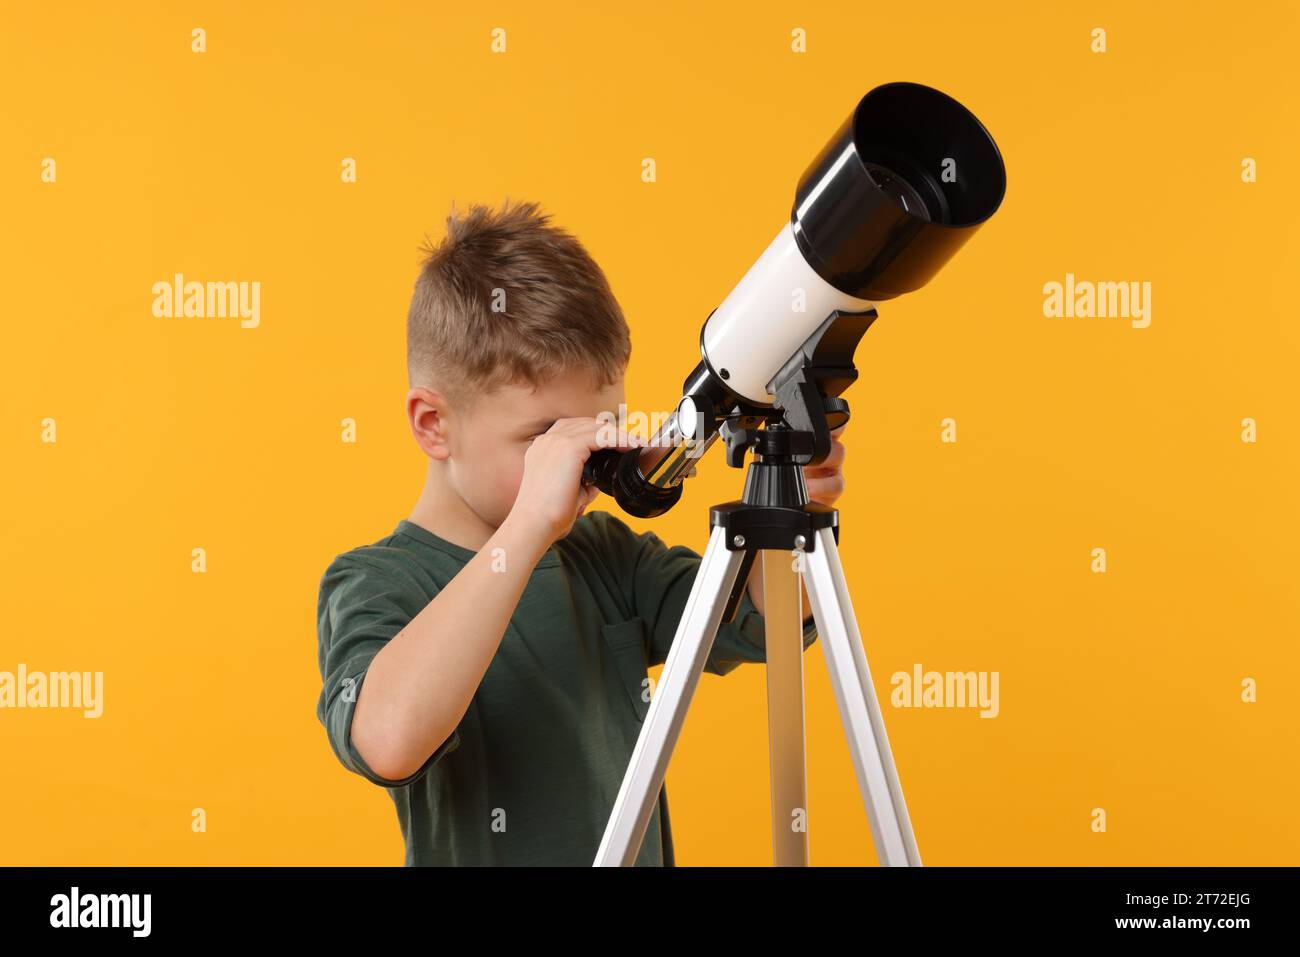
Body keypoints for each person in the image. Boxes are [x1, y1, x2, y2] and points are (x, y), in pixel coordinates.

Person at [315, 198, 848, 865]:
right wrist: (530, 524)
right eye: (545, 436)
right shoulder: (377, 581)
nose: (580, 464)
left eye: (598, 433)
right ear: (433, 424)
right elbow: (388, 740)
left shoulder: (604, 558)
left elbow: (764, 617)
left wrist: (792, 506)